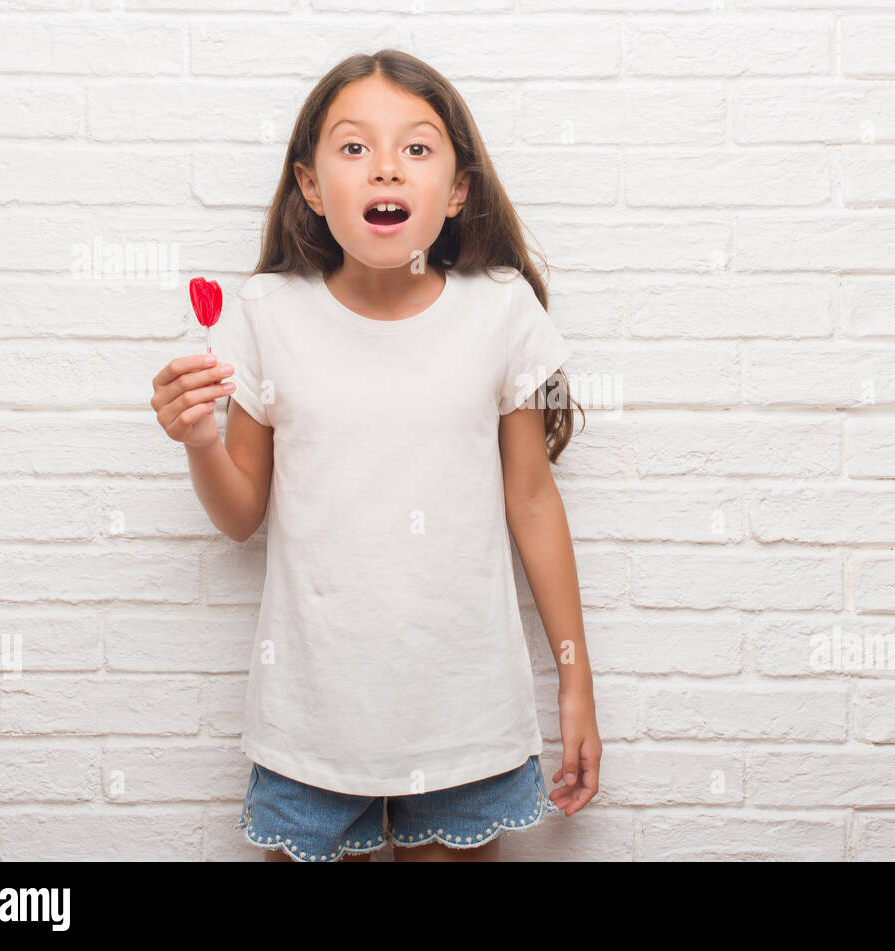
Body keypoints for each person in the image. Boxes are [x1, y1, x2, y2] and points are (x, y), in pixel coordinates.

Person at [150, 50, 600, 862]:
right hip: (313, 721)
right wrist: (200, 442)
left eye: (417, 148)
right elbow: (240, 513)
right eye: (354, 148)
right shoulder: (266, 314)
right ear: (312, 187)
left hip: (463, 714)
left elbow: (532, 500)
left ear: (457, 189)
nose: (385, 166)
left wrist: (575, 680)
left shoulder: (499, 310)